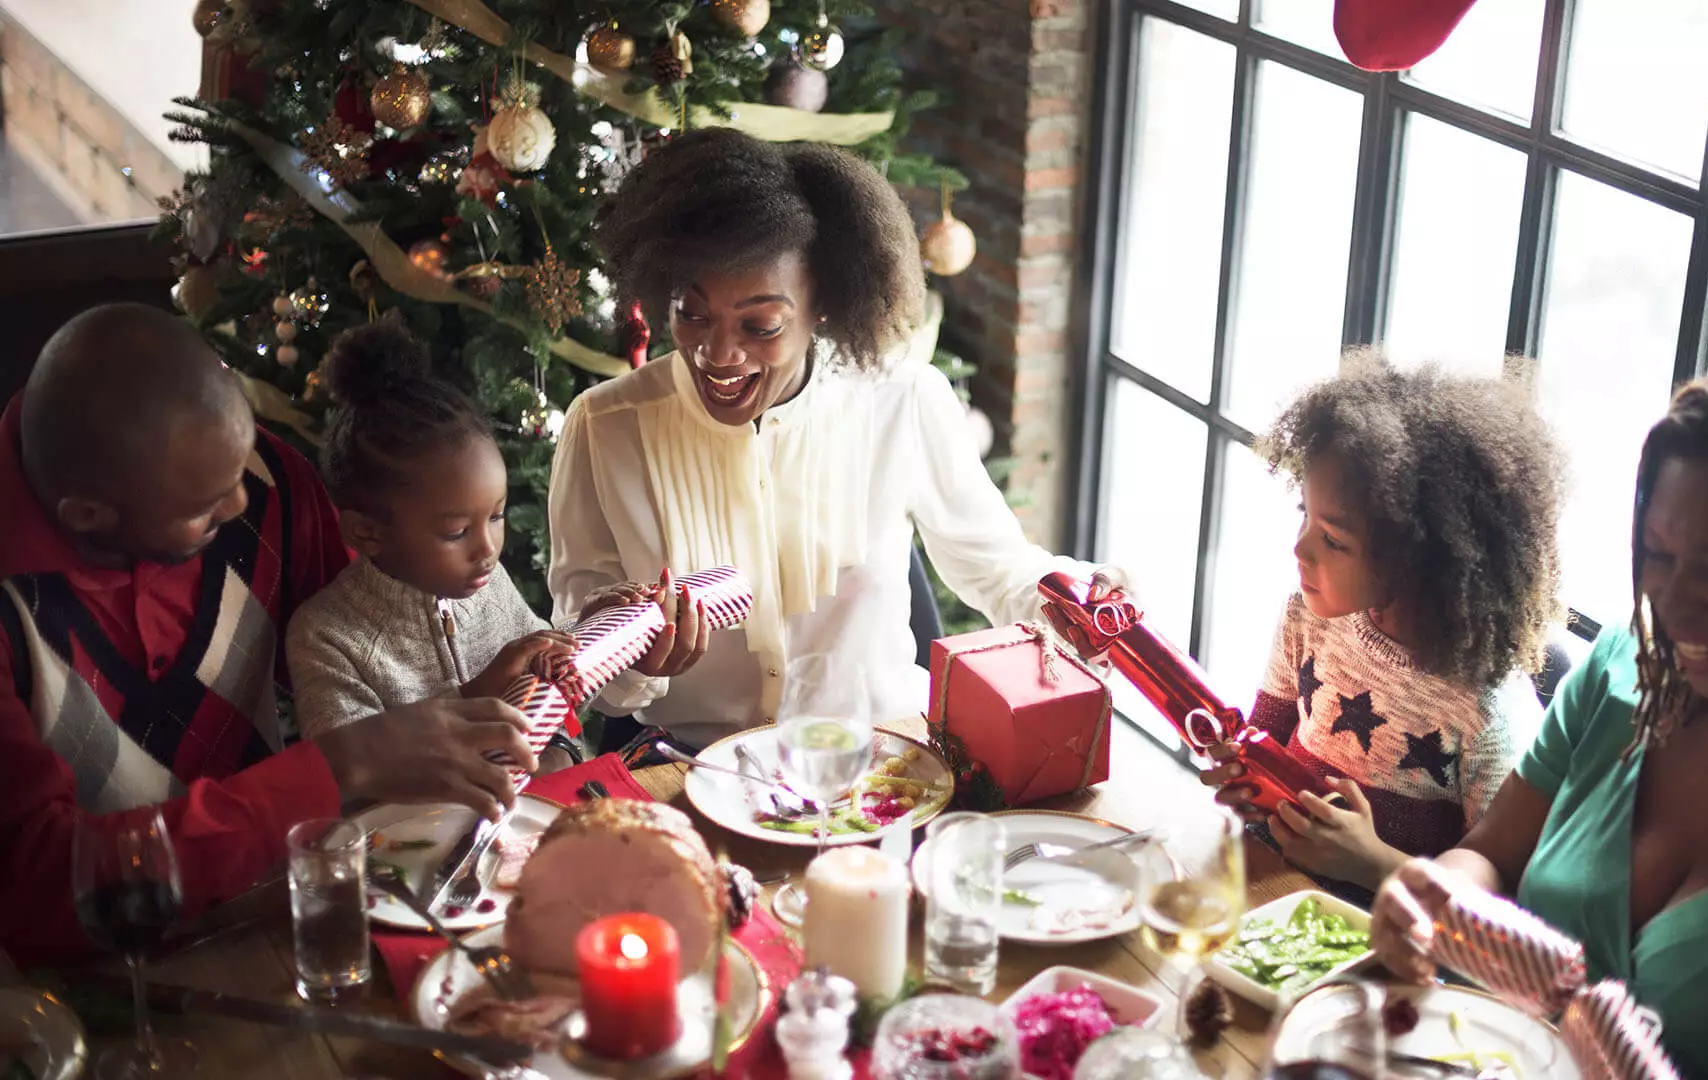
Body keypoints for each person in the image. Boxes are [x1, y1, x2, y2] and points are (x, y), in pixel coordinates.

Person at [1370, 363, 1708, 1080]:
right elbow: (1493, 853)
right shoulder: (1624, 665)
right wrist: (1438, 896)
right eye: (1658, 556)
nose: (1673, 602)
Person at [0, 304, 536, 966]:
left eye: (242, 463)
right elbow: (33, 891)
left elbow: (372, 641)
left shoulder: (267, 479)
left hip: (274, 920)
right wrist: (337, 766)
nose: (242, 505)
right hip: (90, 975)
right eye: (204, 511)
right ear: (87, 516)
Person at [550, 128, 1112, 746]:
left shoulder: (903, 400)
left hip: (881, 762)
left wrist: (1079, 603)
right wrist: (634, 665)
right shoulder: (604, 427)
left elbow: (1000, 572)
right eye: (692, 312)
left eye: (760, 324)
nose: (717, 351)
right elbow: (581, 653)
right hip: (694, 774)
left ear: (823, 304)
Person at [1206, 359, 1563, 904]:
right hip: (1269, 892)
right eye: (1306, 515)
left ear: (1417, 560)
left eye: (1335, 540)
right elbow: (1265, 742)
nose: (1299, 548)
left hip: (1381, 941)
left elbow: (1496, 905)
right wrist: (1245, 782)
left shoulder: (1486, 709)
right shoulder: (1308, 618)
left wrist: (1370, 862)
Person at [285, 318, 647, 767]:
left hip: (534, 798)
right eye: (456, 532)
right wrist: (481, 691)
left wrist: (590, 630)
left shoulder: (488, 581)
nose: (487, 549)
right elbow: (343, 772)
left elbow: (546, 675)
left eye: (495, 516)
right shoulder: (327, 636)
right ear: (366, 533)